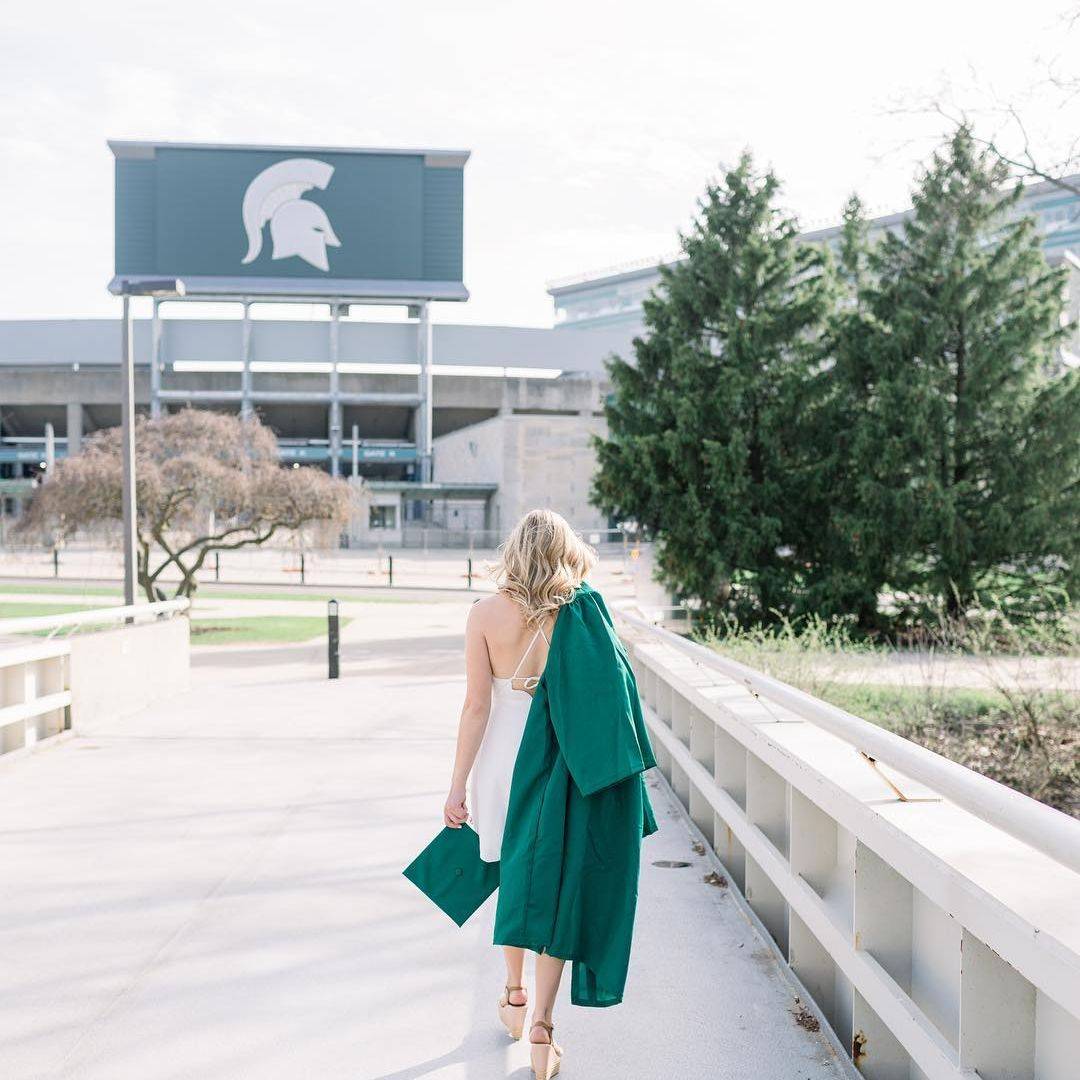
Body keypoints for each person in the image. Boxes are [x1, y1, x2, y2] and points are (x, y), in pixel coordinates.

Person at [444, 509, 657, 1079]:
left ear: (513, 550)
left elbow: (476, 706)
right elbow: (613, 696)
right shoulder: (579, 612)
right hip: (561, 766)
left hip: (501, 767)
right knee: (560, 891)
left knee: (514, 880)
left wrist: (457, 783)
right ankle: (541, 1026)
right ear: (566, 551)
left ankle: (512, 993)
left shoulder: (484, 615)